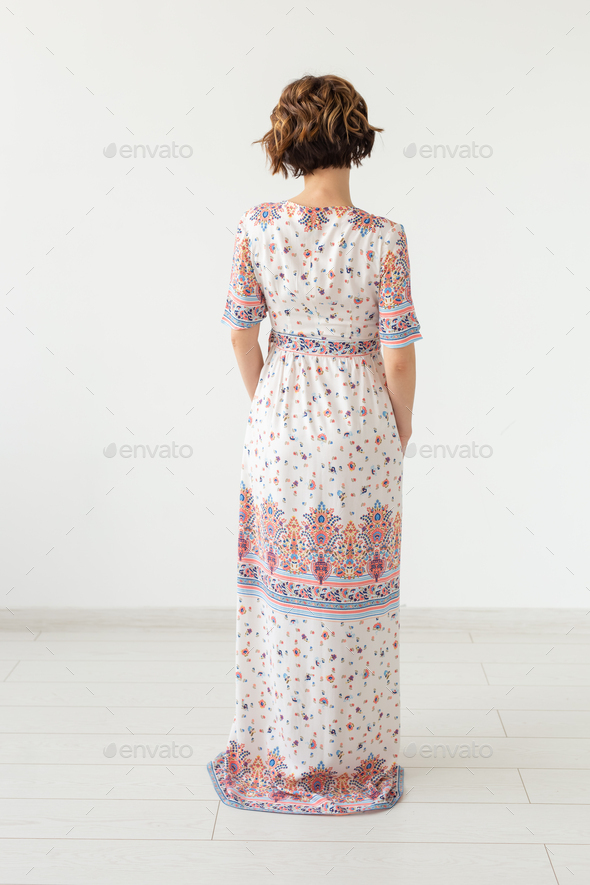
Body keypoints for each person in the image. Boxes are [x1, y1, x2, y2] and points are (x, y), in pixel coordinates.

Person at [207, 73, 422, 815]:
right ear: (357, 138)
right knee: (357, 596)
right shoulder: (384, 239)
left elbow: (240, 331)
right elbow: (397, 355)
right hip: (362, 422)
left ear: (287, 140)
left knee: (276, 592)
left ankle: (278, 746)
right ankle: (350, 752)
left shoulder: (254, 225)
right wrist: (399, 429)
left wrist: (270, 399)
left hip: (279, 420)